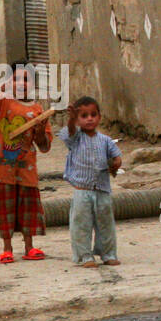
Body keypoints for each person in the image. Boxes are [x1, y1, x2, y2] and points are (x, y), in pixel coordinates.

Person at [0, 63, 53, 263]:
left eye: (26, 79)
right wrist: (2, 85)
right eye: (15, 79)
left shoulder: (38, 110)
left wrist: (41, 131)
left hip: (26, 169)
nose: (21, 84)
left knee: (28, 207)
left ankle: (29, 247)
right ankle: (7, 248)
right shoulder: (3, 103)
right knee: (5, 208)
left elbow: (44, 146)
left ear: (34, 84)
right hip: (2, 168)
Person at [60, 95, 122, 268]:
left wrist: (115, 164)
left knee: (106, 224)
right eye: (84, 116)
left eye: (93, 115)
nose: (89, 119)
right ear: (78, 120)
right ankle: (84, 256)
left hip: (102, 189)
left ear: (99, 117)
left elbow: (117, 157)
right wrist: (71, 119)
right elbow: (69, 132)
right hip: (82, 190)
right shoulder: (75, 138)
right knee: (81, 224)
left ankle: (108, 253)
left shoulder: (106, 141)